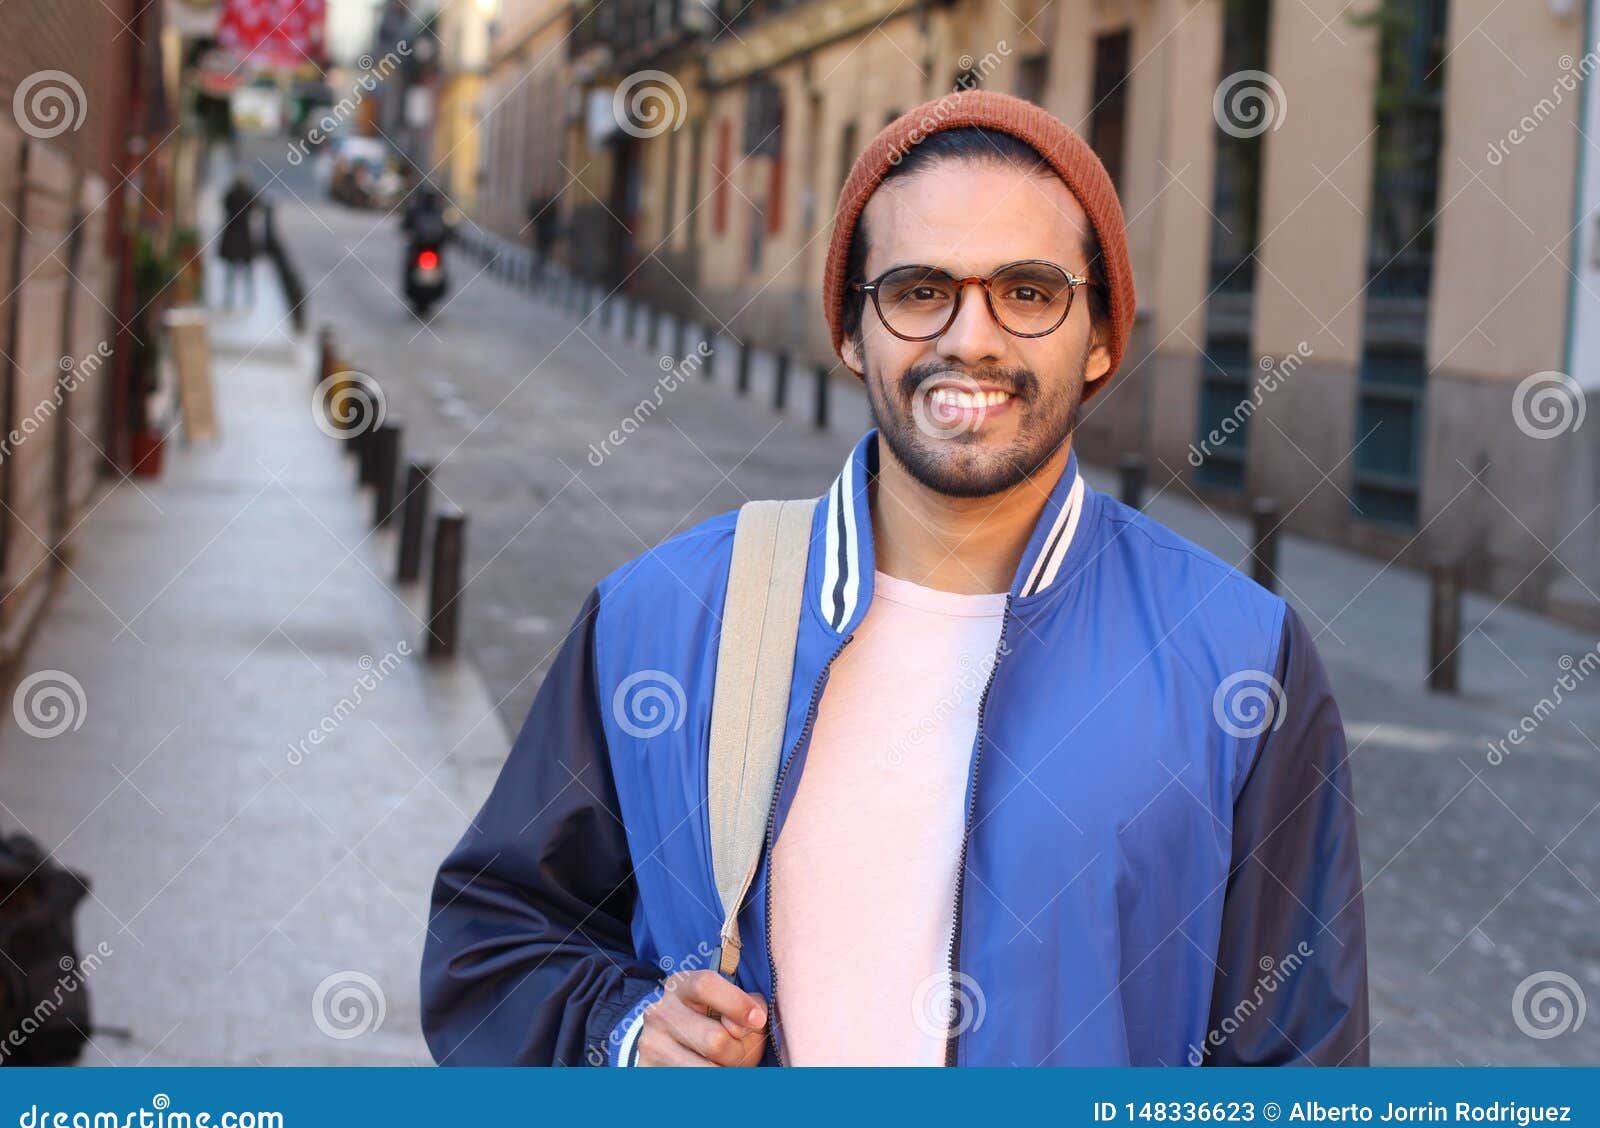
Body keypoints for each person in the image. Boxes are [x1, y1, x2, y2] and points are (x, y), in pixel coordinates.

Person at [420, 91, 1369, 1067]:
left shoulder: (1240, 658)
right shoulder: (661, 617)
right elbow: (495, 939)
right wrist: (625, 1034)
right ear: (850, 330)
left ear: (1099, 336)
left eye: (1028, 292)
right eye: (919, 290)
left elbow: (1298, 1058)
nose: (971, 337)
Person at [219, 169, 257, 309]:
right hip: (242, 234)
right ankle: (247, 297)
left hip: (234, 234)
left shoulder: (232, 194)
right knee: (244, 270)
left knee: (233, 270)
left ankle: (233, 298)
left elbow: (225, 206)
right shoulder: (248, 195)